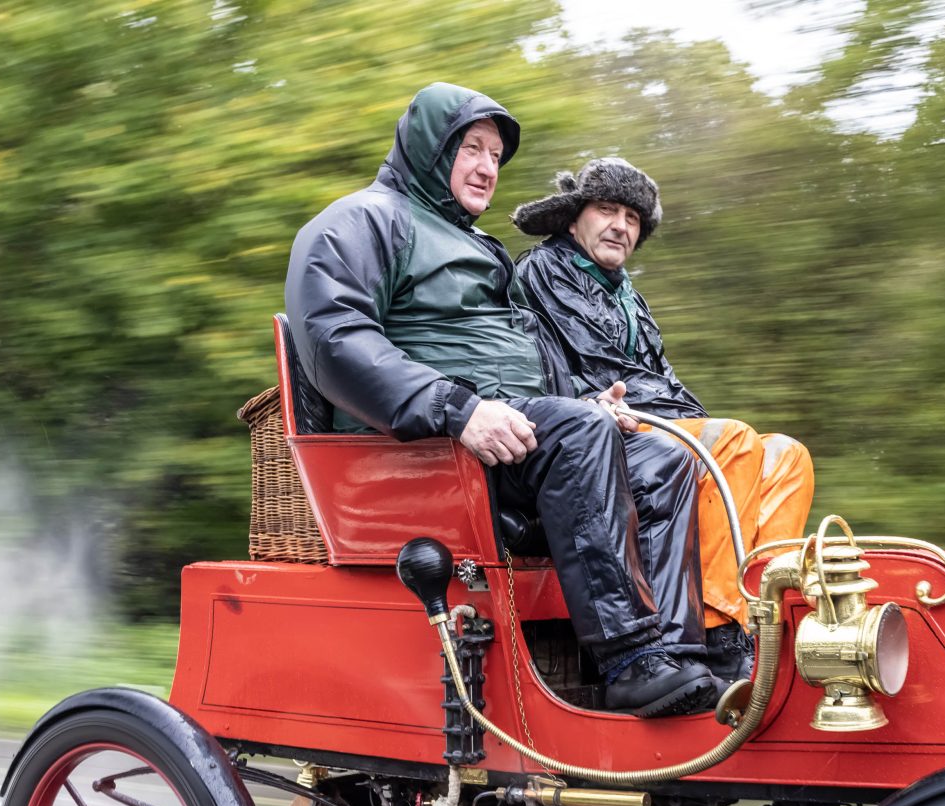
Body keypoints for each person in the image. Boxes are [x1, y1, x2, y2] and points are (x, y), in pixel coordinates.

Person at [283, 84, 718, 718]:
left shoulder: (476, 245)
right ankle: (629, 659)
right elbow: (332, 336)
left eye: (495, 154)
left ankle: (684, 661)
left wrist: (591, 400)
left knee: (664, 461)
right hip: (420, 451)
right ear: (430, 151)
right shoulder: (366, 220)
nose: (488, 166)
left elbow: (513, 357)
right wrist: (458, 410)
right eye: (471, 148)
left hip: (505, 438)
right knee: (579, 436)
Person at [510, 158, 816, 685]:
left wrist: (695, 419)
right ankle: (722, 632)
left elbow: (664, 378)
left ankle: (767, 621)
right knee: (735, 441)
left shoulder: (628, 296)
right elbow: (600, 369)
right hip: (603, 424)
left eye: (632, 218)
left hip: (655, 417)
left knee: (786, 455)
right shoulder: (546, 269)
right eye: (606, 210)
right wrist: (694, 423)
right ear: (571, 220)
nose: (620, 226)